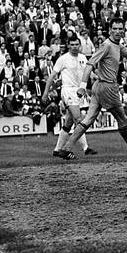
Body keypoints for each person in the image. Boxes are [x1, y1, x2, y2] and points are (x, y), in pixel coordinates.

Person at [64, 17, 127, 157]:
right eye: (115, 29)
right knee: (122, 120)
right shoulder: (107, 45)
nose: (117, 31)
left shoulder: (117, 45)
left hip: (99, 86)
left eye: (120, 29)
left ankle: (67, 147)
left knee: (88, 118)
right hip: (107, 88)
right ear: (110, 30)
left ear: (123, 31)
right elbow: (90, 64)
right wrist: (82, 86)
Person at [44, 32, 97, 160]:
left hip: (79, 92)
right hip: (68, 91)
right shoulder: (63, 59)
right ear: (68, 45)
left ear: (80, 45)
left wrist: (99, 78)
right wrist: (46, 92)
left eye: (77, 44)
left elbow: (89, 74)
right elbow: (52, 76)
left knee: (68, 123)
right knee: (79, 119)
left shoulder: (83, 58)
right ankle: (81, 148)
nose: (74, 46)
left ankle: (57, 150)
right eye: (72, 44)